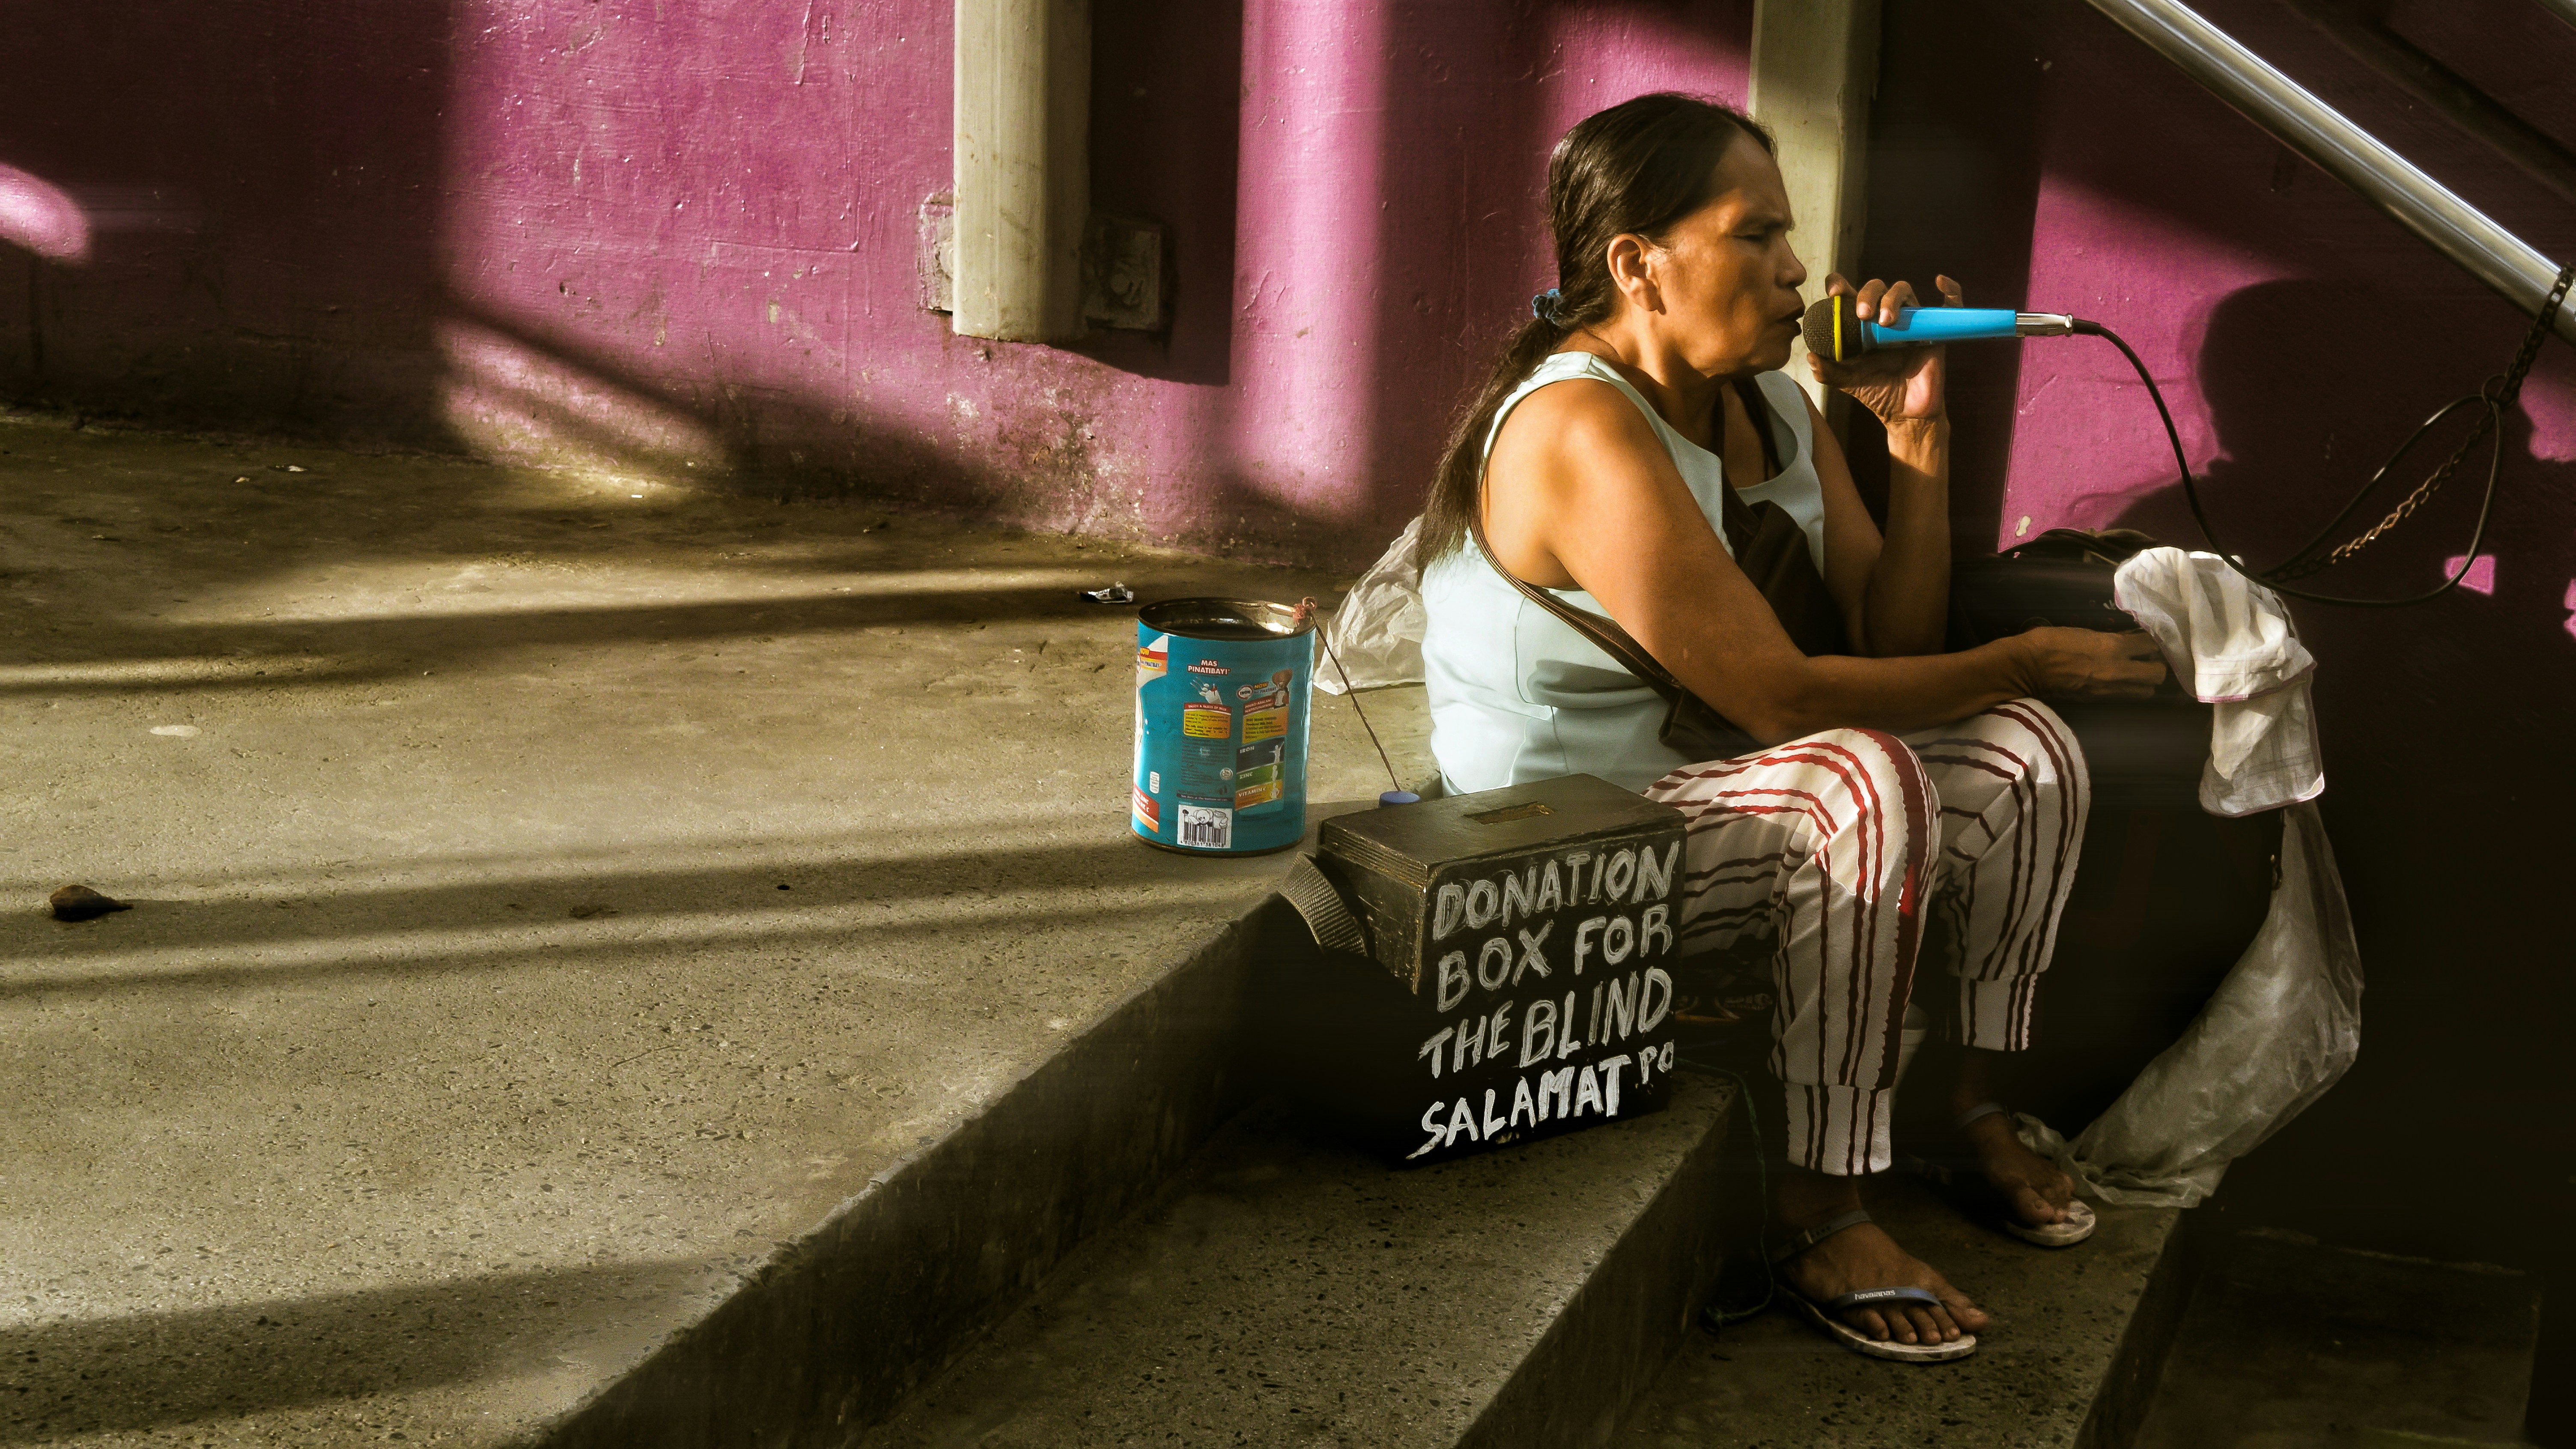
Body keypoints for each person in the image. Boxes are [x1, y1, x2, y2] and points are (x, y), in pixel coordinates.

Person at [1415, 92, 2169, 1362]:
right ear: (1635, 265)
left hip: (1724, 806)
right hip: (1556, 858)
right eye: (1754, 235)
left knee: (2024, 750)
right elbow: (1787, 700)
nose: (1796, 269)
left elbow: (1892, 648)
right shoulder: (1579, 425)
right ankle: (1815, 1204)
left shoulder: (1768, 406)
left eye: (1790, 237)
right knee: (1862, 779)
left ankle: (1964, 1100)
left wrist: (1915, 438)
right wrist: (2031, 648)